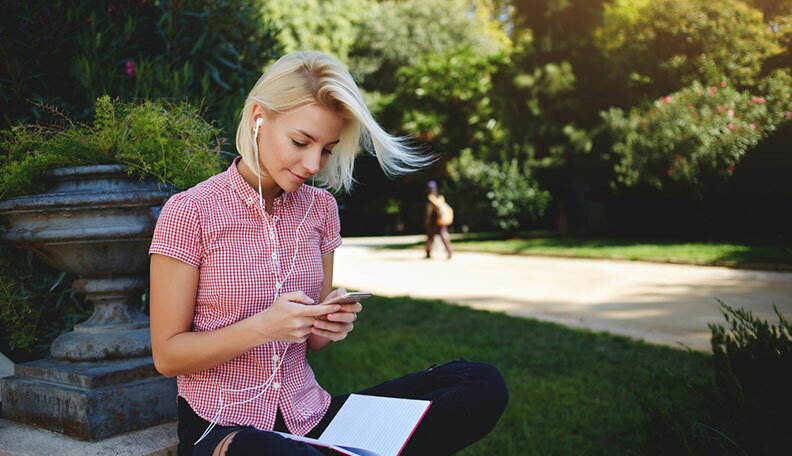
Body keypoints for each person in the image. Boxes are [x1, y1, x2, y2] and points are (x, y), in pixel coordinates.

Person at [149, 51, 508, 456]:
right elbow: (167, 355)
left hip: (312, 416)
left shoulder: (321, 210)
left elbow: (312, 343)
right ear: (257, 118)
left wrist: (327, 323)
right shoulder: (190, 211)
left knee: (481, 383)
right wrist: (264, 327)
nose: (313, 163)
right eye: (301, 142)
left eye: (326, 149)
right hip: (224, 426)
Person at [425, 180, 453, 259]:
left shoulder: (430, 198)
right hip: (441, 220)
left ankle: (427, 253)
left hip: (433, 221)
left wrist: (427, 220)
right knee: (443, 236)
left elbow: (429, 211)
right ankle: (449, 251)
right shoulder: (440, 197)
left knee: (429, 237)